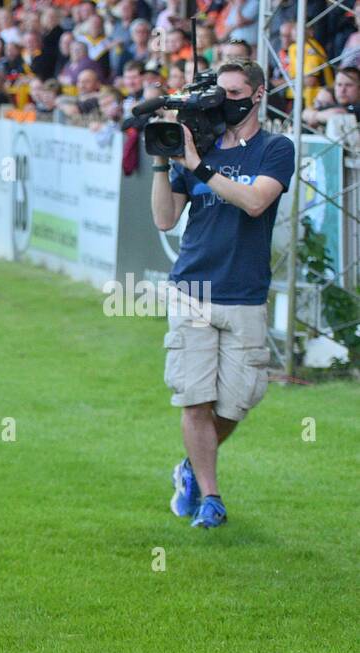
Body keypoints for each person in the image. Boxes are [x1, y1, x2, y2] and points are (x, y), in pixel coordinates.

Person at [150, 59, 294, 529]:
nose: (226, 102)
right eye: (220, 93)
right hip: (192, 288)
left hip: (245, 293)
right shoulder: (199, 147)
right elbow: (165, 219)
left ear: (257, 95)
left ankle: (191, 468)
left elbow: (255, 202)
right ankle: (211, 499)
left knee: (237, 402)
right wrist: (162, 160)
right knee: (195, 399)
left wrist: (198, 165)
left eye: (235, 93)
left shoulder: (276, 149)